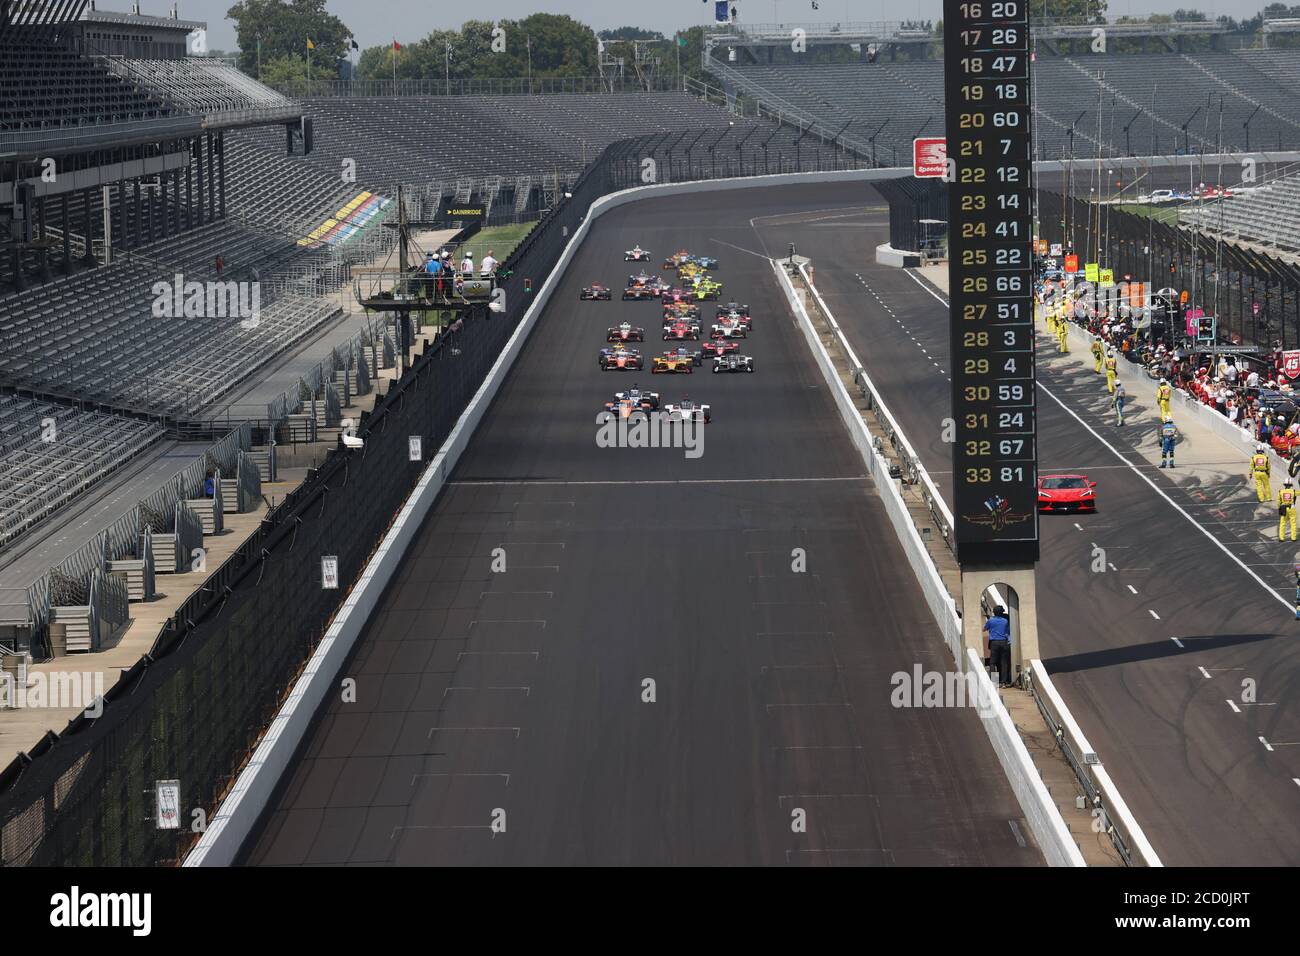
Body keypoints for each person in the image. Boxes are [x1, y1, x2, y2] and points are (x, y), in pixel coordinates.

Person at [983, 606, 1012, 687]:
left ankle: (994, 681)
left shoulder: (991, 621)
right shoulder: (1005, 621)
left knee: (992, 662)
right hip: (1004, 642)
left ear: (994, 612)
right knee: (1004, 662)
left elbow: (984, 629)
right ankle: (1003, 682)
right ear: (1001, 612)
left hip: (994, 643)